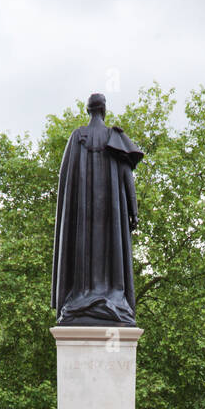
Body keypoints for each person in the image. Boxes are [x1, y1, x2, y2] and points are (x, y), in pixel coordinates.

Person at [52, 92, 144, 326]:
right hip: (110, 216)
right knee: (111, 250)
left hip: (81, 217)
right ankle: (112, 296)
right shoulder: (114, 137)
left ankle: (82, 297)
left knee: (82, 246)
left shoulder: (76, 137)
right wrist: (133, 210)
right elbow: (127, 178)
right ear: (104, 110)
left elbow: (65, 184)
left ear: (88, 110)